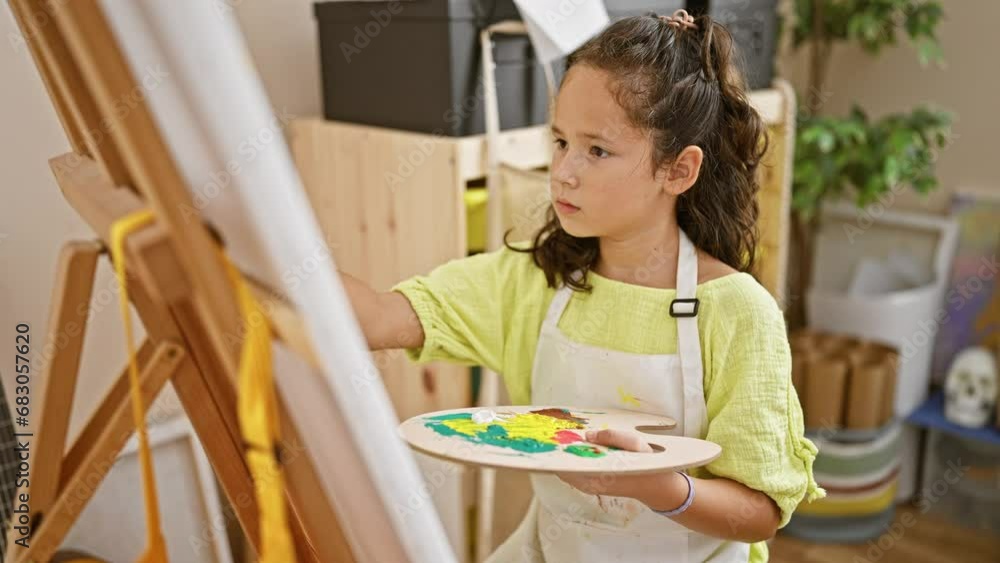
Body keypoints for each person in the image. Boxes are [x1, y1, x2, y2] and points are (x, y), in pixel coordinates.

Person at [341, 10, 824, 562]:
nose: (564, 171)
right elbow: (378, 318)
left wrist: (661, 489)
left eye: (597, 150)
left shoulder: (738, 313)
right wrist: (261, 254)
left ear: (678, 171)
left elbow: (760, 510)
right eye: (561, 141)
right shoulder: (532, 282)